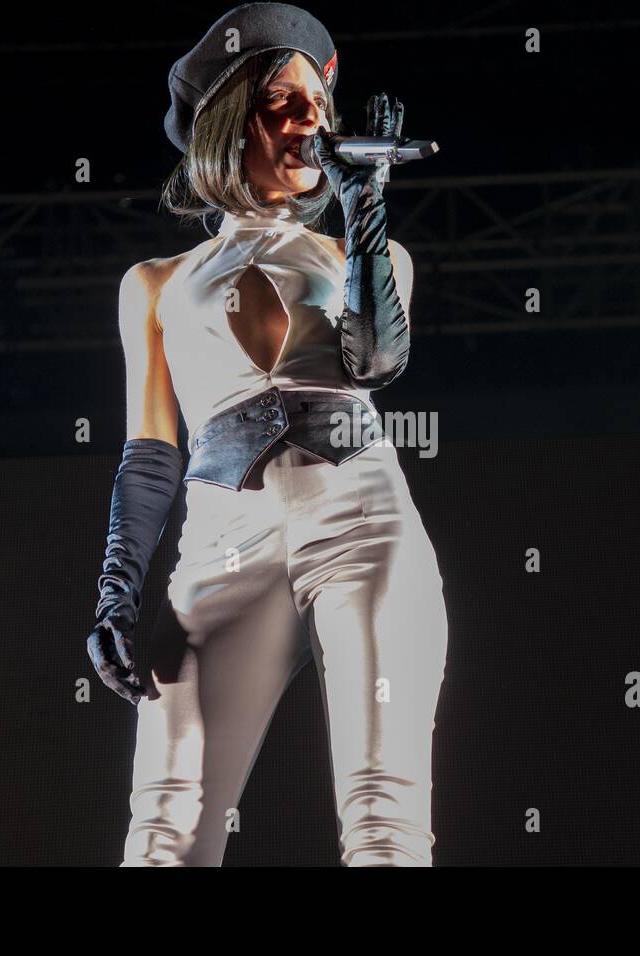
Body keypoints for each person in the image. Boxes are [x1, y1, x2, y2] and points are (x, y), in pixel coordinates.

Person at [86, 2, 449, 867]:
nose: (308, 121)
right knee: (165, 832)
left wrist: (366, 215)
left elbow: (376, 361)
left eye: (317, 104)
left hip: (361, 520)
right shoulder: (156, 284)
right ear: (226, 120)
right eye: (281, 102)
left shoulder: (370, 258)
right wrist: (116, 584)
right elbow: (150, 454)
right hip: (220, 542)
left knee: (382, 817)